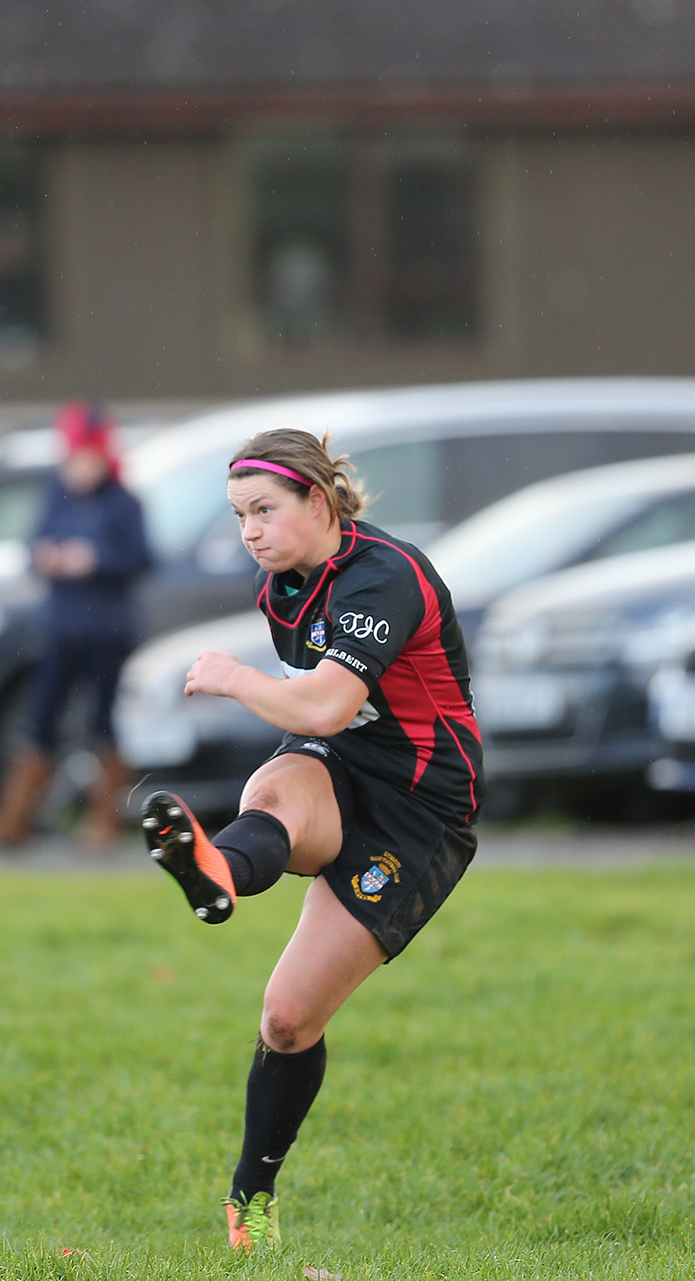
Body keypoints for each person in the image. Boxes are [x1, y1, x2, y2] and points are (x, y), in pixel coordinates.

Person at [140, 428, 483, 1249]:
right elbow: (324, 730)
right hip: (340, 766)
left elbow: (326, 702)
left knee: (290, 1019)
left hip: (421, 807)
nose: (249, 531)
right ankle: (217, 867)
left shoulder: (383, 575)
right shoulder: (283, 589)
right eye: (238, 516)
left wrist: (235, 678)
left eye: (264, 510)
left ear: (319, 503)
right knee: (280, 787)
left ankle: (254, 1191)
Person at [0, 401, 152, 847]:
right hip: (61, 630)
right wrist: (49, 557)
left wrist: (94, 561)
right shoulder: (56, 496)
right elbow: (33, 547)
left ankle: (104, 821)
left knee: (103, 723)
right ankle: (13, 821)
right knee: (41, 718)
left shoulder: (124, 504)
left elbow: (141, 559)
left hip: (107, 630)